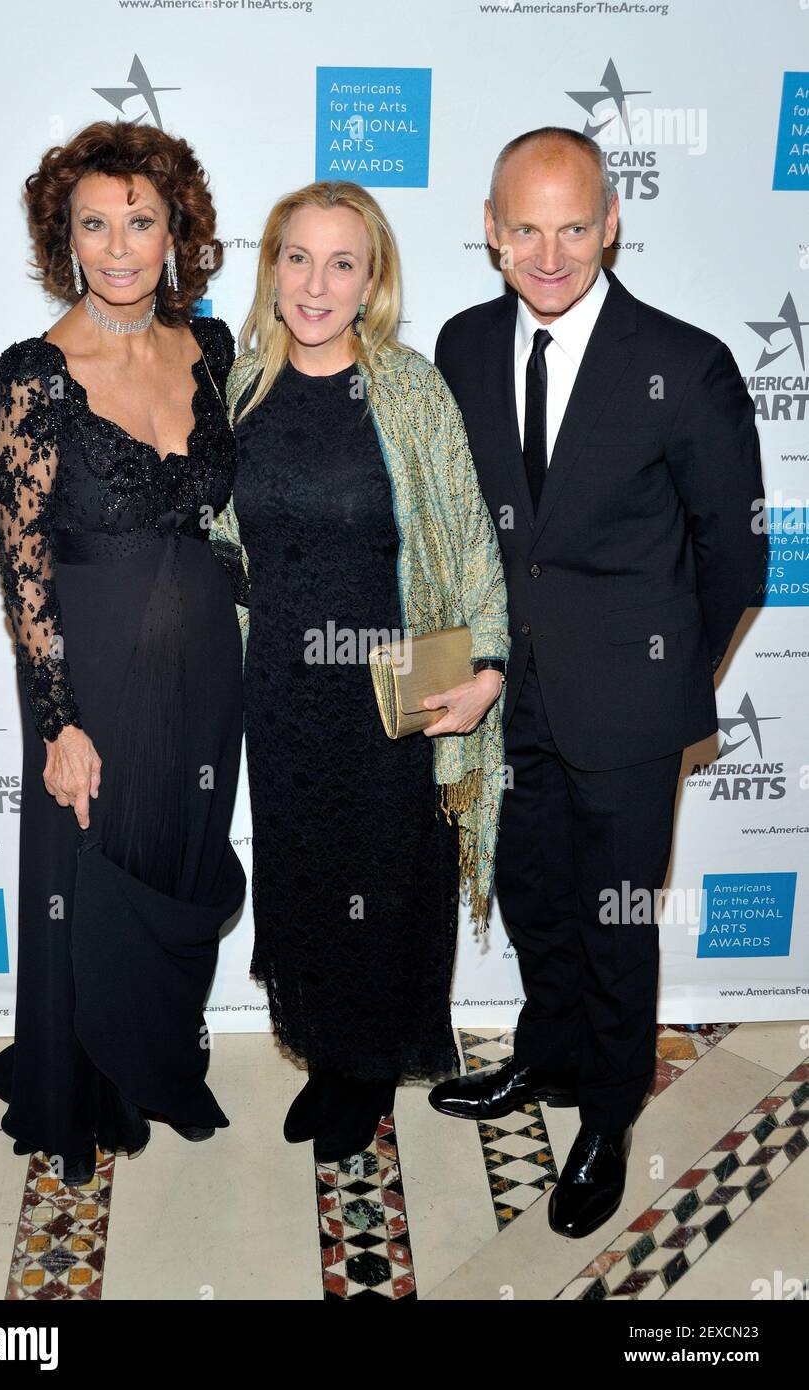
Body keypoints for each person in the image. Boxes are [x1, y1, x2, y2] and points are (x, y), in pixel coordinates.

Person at [429, 127, 766, 1237]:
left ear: (610, 223)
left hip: (628, 705)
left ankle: (607, 1117)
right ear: (490, 229)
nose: (548, 250)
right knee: (532, 897)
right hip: (502, 694)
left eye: (572, 225)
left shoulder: (686, 359)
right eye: (522, 226)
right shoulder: (463, 344)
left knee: (616, 919)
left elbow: (734, 556)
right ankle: (547, 1057)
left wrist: (659, 675)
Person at [209, 180, 508, 1163]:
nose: (315, 281)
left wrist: (487, 666)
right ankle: (331, 1055)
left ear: (370, 278)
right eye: (297, 257)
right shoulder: (239, 390)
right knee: (301, 879)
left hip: (391, 694)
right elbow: (215, 534)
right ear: (272, 266)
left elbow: (465, 535)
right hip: (283, 697)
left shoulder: (408, 388)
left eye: (342, 261)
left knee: (380, 883)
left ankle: (367, 1065)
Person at [0, 120, 246, 1187]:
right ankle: (79, 1091)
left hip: (206, 679)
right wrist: (60, 722)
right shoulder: (35, 376)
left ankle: (161, 1066)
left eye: (141, 220)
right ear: (66, 239)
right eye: (95, 224)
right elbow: (23, 567)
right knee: (88, 878)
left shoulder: (212, 348)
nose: (121, 246)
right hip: (90, 673)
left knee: (179, 863)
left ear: (175, 227)